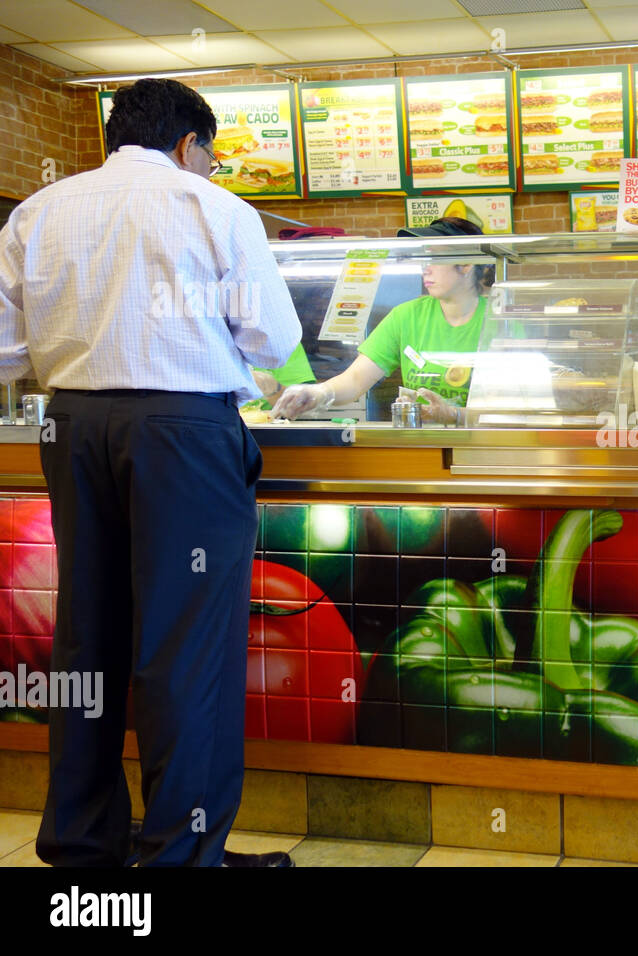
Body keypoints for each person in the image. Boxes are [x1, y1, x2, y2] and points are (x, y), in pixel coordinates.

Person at [0, 78, 302, 866]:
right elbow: (271, 338)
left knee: (86, 637)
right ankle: (178, 852)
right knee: (186, 648)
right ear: (187, 145)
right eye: (210, 154)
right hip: (182, 433)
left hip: (72, 425)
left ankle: (82, 844)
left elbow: (5, 350)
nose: (209, 167)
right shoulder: (215, 209)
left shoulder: (38, 211)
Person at [272, 217, 493, 424]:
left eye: (434, 257)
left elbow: (515, 409)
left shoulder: (499, 320)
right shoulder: (407, 316)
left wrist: (453, 415)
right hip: (426, 448)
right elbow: (357, 379)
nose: (425, 267)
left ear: (466, 264)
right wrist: (320, 392)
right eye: (423, 257)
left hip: (484, 450)